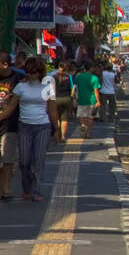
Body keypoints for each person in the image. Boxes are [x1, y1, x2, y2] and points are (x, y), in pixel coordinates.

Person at [14, 57, 59, 202]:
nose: (31, 75)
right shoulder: (20, 87)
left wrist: (56, 129)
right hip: (24, 126)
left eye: (34, 72)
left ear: (40, 73)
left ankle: (37, 190)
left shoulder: (47, 88)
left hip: (43, 127)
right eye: (29, 72)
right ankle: (27, 187)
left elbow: (52, 110)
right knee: (24, 161)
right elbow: (11, 106)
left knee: (38, 161)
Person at [71, 62, 100, 139]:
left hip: (81, 99)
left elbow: (75, 88)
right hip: (92, 101)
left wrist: (74, 99)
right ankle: (88, 133)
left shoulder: (78, 77)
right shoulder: (94, 78)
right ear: (90, 69)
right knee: (91, 117)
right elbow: (96, 90)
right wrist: (98, 101)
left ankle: (83, 125)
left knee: (81, 115)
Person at [0, 73, 17, 201]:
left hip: (8, 124)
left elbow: (13, 104)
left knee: (7, 157)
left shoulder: (16, 79)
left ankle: (6, 187)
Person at [48, 61, 75, 141]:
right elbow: (73, 88)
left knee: (56, 117)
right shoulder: (69, 77)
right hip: (67, 99)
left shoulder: (53, 77)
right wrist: (72, 99)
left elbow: (50, 89)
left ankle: (57, 133)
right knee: (64, 118)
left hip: (56, 99)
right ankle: (63, 136)